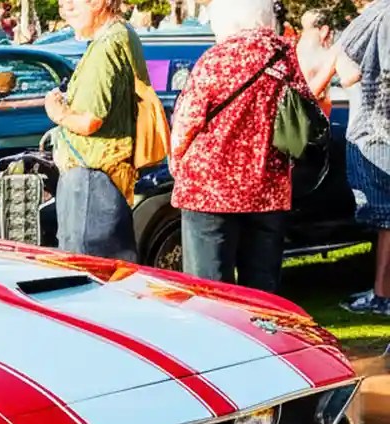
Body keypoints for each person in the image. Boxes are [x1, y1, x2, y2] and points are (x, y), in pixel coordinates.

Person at [169, 0, 313, 293]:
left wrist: (177, 160)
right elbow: (303, 116)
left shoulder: (218, 58)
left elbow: (187, 119)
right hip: (267, 187)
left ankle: (215, 339)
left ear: (227, 21)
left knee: (209, 289)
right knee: (262, 293)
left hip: (210, 188)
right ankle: (258, 337)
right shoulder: (286, 59)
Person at [45, 0, 151, 260]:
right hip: (106, 177)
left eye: (71, 2)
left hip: (92, 178)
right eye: (61, 4)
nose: (65, 9)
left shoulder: (106, 46)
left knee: (85, 272)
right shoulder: (123, 34)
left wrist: (56, 110)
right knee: (112, 272)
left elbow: (90, 121)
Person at [333, 0, 389, 315]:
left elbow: (347, 73)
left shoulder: (375, 15)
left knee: (386, 219)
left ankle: (382, 295)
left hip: (379, 129)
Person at [295, 8, 337, 116]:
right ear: (324, 31)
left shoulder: (299, 50)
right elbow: (311, 92)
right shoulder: (317, 56)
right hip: (313, 116)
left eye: (306, 29)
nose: (303, 34)